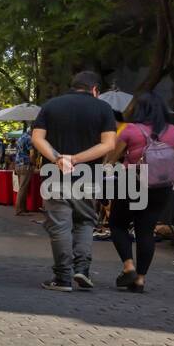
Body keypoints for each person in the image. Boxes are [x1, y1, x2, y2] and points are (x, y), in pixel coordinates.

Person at [31, 70, 118, 291]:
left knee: (59, 226)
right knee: (85, 222)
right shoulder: (104, 108)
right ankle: (82, 270)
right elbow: (109, 145)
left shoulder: (51, 105)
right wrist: (76, 159)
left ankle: (62, 278)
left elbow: (37, 138)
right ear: (95, 90)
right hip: (88, 174)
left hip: (54, 174)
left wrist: (58, 158)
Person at [106, 92, 174, 293]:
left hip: (133, 181)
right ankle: (140, 280)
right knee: (146, 230)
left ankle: (128, 266)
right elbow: (173, 158)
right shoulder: (173, 131)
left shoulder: (130, 130)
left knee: (117, 224)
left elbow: (111, 158)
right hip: (161, 187)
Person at [13, 130, 36, 215]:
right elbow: (32, 154)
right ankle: (18, 210)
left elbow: (17, 152)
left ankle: (23, 208)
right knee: (23, 188)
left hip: (18, 165)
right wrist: (33, 164)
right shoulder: (29, 139)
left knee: (23, 188)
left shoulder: (20, 138)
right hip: (25, 165)